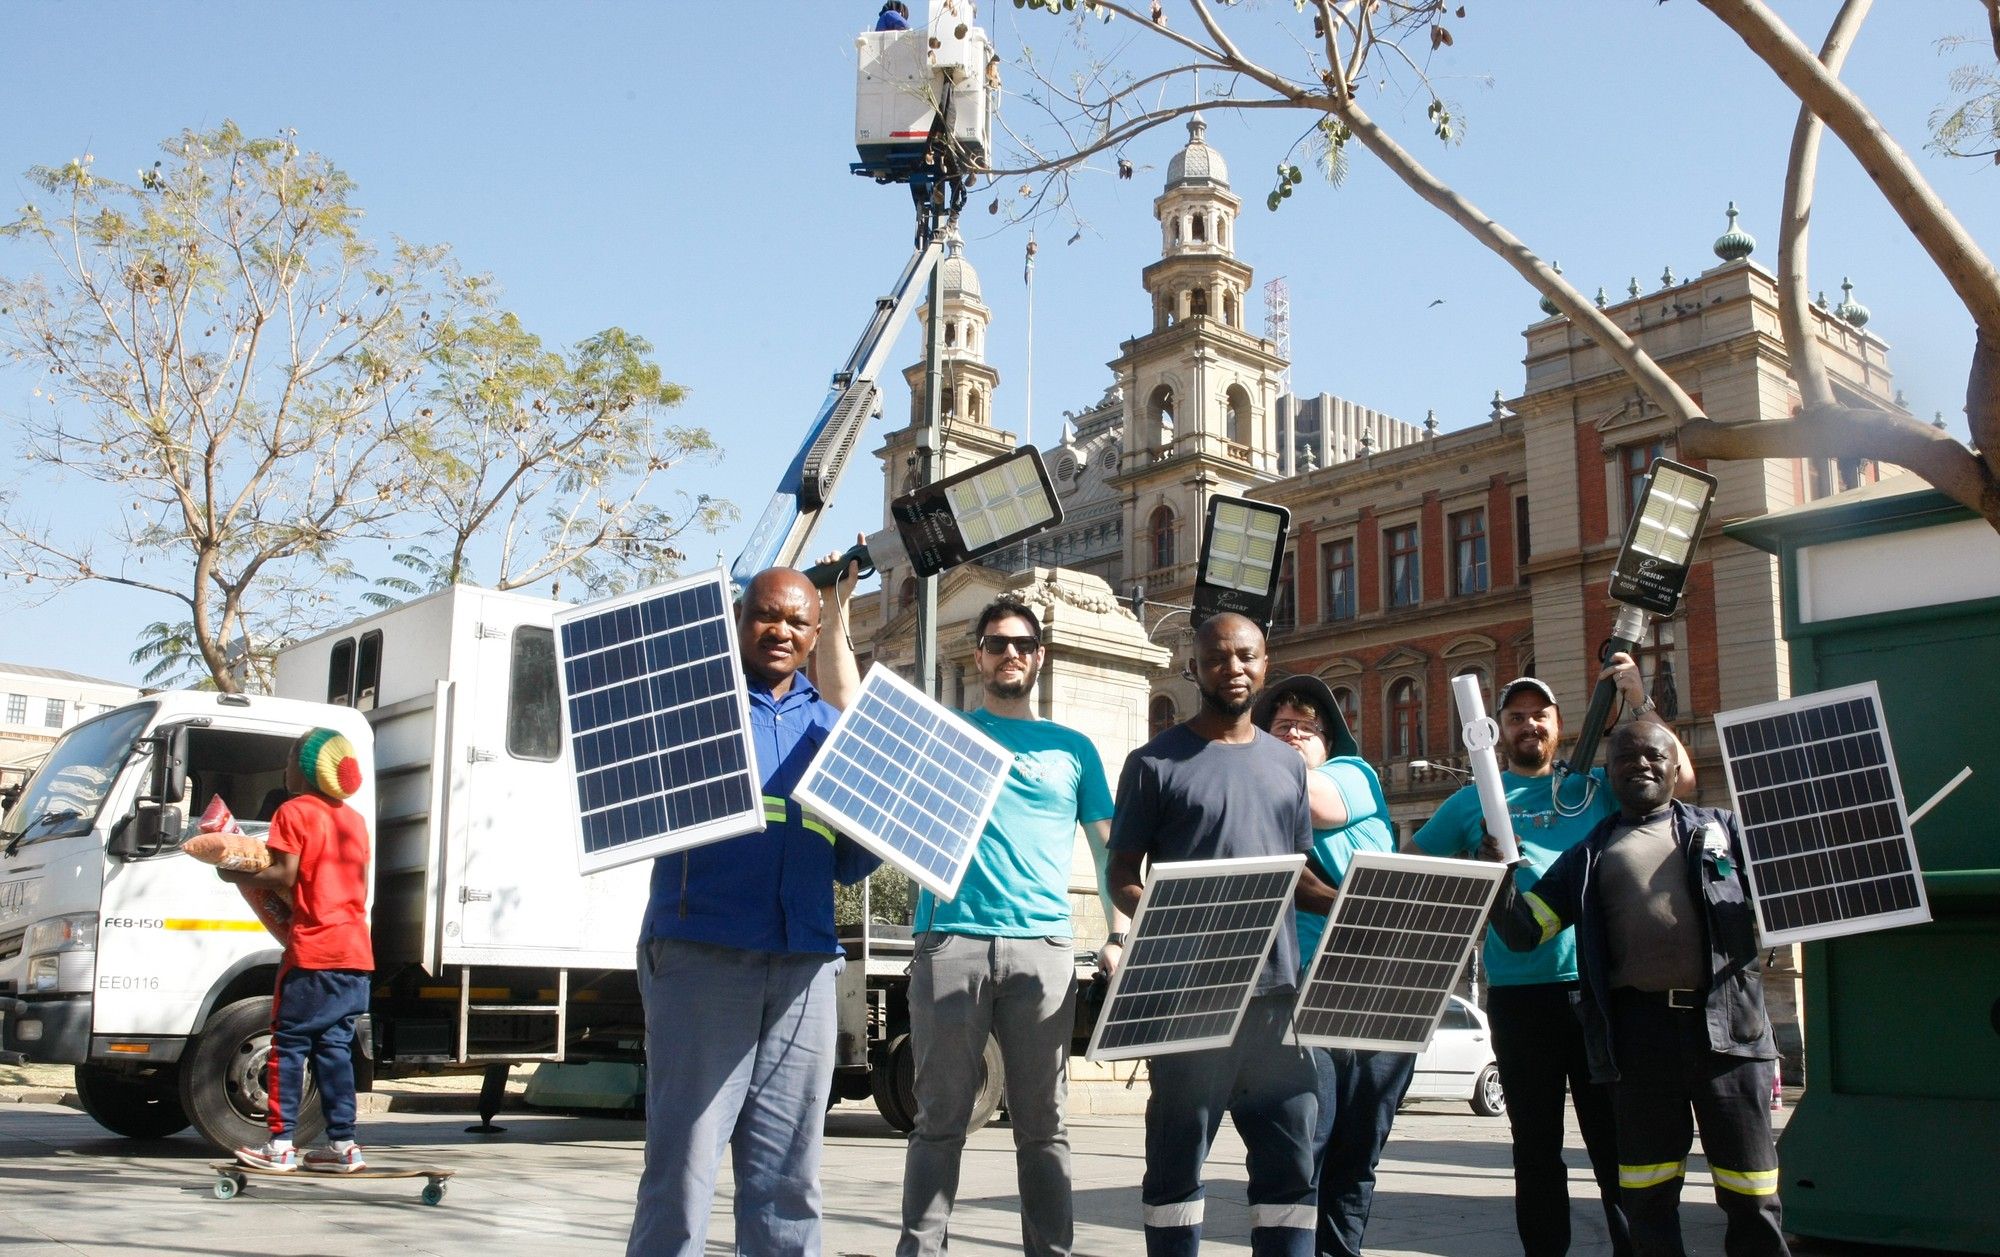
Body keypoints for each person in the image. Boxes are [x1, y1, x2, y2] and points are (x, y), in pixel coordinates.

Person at [626, 561, 878, 1257]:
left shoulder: (834, 732)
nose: (782, 630)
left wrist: (884, 824)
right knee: (683, 1168)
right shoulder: (689, 708)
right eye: (768, 614)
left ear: (816, 631)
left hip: (806, 968)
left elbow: (849, 862)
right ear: (739, 621)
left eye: (799, 620)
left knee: (789, 1177)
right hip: (703, 954)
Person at [1409, 657, 1689, 1257]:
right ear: (1498, 730)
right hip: (1517, 998)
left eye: (1539, 715)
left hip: (1597, 991)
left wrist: (1637, 699)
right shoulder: (1472, 800)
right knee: (1534, 1148)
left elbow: (1680, 778)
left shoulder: (1591, 789)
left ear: (1559, 725)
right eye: (1516, 717)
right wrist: (1475, 876)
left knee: (1614, 1145)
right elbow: (1417, 868)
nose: (1528, 725)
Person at [1486, 721, 1789, 1257]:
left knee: (1752, 1194)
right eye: (1625, 758)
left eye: (1654, 756)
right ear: (1609, 772)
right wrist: (1498, 878)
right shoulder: (1586, 856)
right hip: (1641, 1041)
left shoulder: (1724, 831)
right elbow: (1525, 932)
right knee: (1647, 1199)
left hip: (1731, 1034)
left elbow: (1797, 887)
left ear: (1677, 769)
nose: (1640, 765)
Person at [898, 596, 1126, 1257]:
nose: (1011, 654)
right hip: (951, 941)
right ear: (978, 654)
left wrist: (1120, 932)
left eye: (1024, 643)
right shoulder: (948, 734)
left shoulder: (1073, 748)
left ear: (1040, 655)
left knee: (1044, 1125)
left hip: (1044, 950)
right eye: (998, 643)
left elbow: (1108, 848)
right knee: (939, 1120)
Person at [1108, 613, 1319, 1257]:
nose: (1234, 669)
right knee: (1176, 1174)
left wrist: (1356, 901)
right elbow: (1120, 877)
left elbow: (1299, 873)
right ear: (1193, 666)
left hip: (1278, 1002)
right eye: (1219, 658)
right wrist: (1174, 926)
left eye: (1247, 656)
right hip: (1188, 1000)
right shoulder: (1152, 764)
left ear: (1266, 661)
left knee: (1291, 1174)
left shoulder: (1287, 764)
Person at [1251, 676, 1402, 1257]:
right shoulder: (1262, 794)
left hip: (1375, 988)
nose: (1293, 735)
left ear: (1330, 743)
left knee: (1357, 1156)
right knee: (1299, 1149)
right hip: (1297, 993)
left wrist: (1250, 748)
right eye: (1281, 725)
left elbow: (1316, 805)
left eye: (1306, 729)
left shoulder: (1352, 777)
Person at [223, 728, 373, 1173]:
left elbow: (284, 873)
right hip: (356, 953)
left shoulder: (294, 811)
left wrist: (231, 872)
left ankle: (280, 1145)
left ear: (305, 768)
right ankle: (344, 1146)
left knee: (288, 1046)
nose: (285, 768)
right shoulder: (354, 820)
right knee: (335, 1050)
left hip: (314, 951)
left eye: (289, 758)